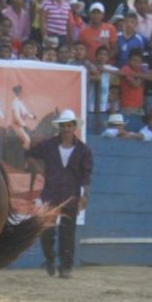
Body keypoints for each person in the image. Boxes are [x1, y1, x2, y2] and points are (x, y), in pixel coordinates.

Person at [27, 109, 93, 279]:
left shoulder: (83, 151)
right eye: (64, 126)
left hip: (70, 195)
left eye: (69, 125)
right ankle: (50, 258)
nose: (66, 129)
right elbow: (30, 154)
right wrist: (41, 170)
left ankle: (65, 267)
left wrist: (85, 195)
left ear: (74, 127)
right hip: (51, 193)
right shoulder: (48, 145)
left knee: (67, 233)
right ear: (60, 127)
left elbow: (86, 174)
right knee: (47, 231)